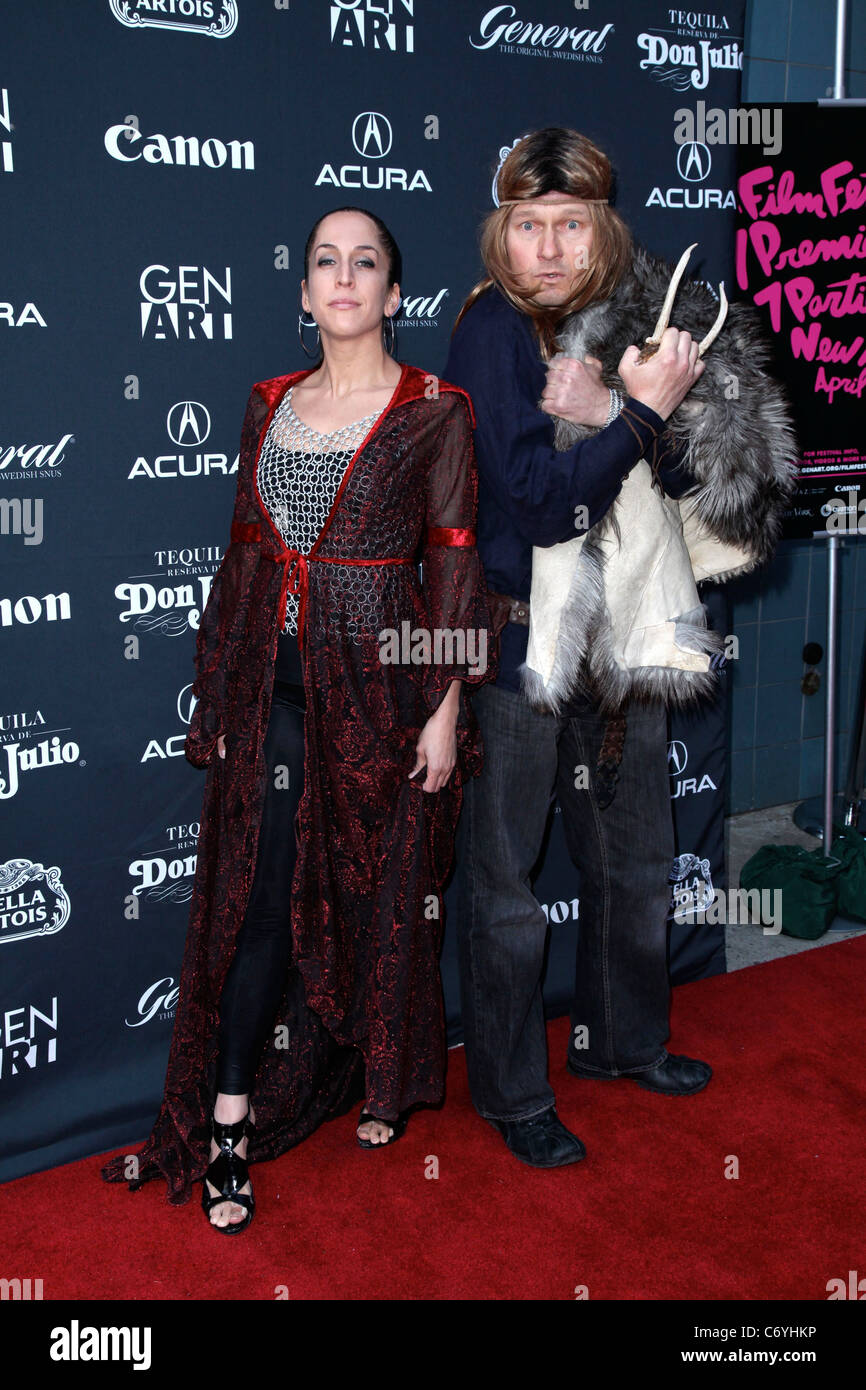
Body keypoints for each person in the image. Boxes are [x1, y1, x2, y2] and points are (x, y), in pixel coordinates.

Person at [101, 205, 494, 1228]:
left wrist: (446, 707)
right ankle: (228, 1116)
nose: (345, 276)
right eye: (327, 260)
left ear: (393, 294)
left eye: (367, 262)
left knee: (383, 891)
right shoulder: (266, 402)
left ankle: (375, 1076)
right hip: (274, 695)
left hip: (384, 696)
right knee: (261, 898)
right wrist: (225, 687)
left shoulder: (432, 410)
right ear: (304, 290)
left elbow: (453, 562)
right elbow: (240, 561)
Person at [442, 126, 794, 1169]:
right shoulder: (488, 333)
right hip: (523, 645)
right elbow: (544, 503)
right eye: (526, 226)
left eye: (568, 225)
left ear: (601, 230)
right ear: (499, 233)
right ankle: (510, 1093)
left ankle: (621, 1041)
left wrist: (647, 419)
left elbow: (708, 493)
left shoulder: (638, 317)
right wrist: (635, 415)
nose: (545, 248)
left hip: (626, 632)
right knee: (506, 886)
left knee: (636, 857)